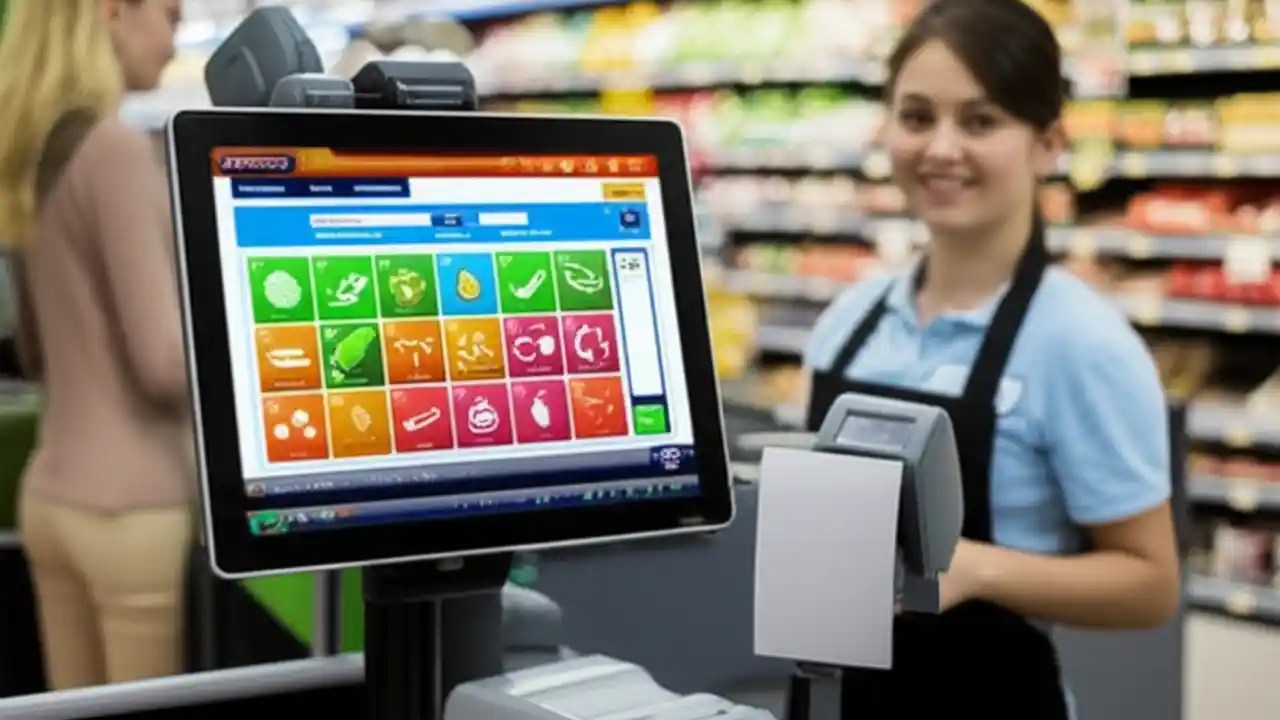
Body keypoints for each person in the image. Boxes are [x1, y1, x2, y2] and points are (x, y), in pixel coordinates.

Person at [800, 0, 1181, 716]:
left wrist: (975, 569)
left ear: (1048, 143)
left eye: (981, 121)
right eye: (916, 117)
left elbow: (1149, 585)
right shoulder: (848, 321)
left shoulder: (1081, 344)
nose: (942, 148)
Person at [0, 0, 190, 689]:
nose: (176, 37)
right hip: (132, 507)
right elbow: (163, 364)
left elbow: (34, 349)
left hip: (53, 494)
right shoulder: (114, 150)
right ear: (113, 12)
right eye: (170, 14)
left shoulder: (38, 151)